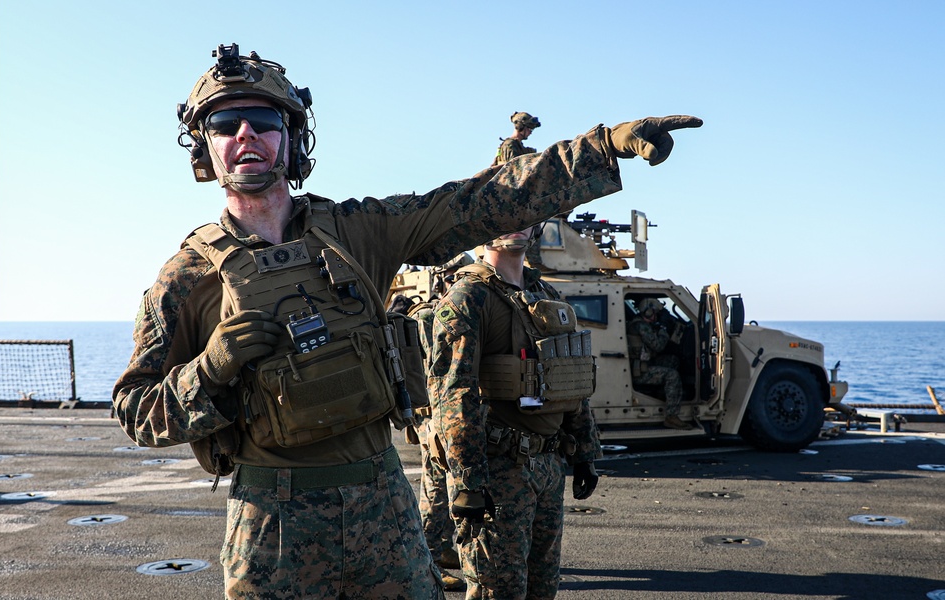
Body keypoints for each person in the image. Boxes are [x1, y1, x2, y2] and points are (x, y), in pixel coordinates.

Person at [111, 42, 701, 599]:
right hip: (273, 524)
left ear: (291, 139)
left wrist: (602, 147)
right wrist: (209, 370)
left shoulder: (357, 232)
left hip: (383, 505)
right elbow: (137, 413)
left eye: (264, 121)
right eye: (224, 124)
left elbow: (474, 202)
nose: (246, 135)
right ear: (204, 146)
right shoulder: (186, 277)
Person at [427, 226, 604, 599]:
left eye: (526, 216)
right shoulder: (468, 298)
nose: (517, 224)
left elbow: (569, 380)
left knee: (543, 588)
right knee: (498, 592)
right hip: (498, 472)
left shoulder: (545, 294)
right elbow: (452, 393)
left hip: (547, 467)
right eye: (507, 215)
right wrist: (468, 480)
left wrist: (586, 452)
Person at [407, 253, 474, 591]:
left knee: (445, 482)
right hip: (434, 413)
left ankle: (441, 548)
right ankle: (428, 558)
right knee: (436, 486)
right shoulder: (429, 315)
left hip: (444, 410)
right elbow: (434, 372)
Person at [627, 298, 692, 430]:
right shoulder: (641, 326)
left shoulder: (637, 323)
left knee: (673, 360)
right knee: (672, 376)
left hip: (641, 365)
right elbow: (658, 346)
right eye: (654, 314)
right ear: (648, 313)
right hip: (639, 371)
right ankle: (671, 417)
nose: (655, 318)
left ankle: (667, 397)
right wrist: (663, 329)